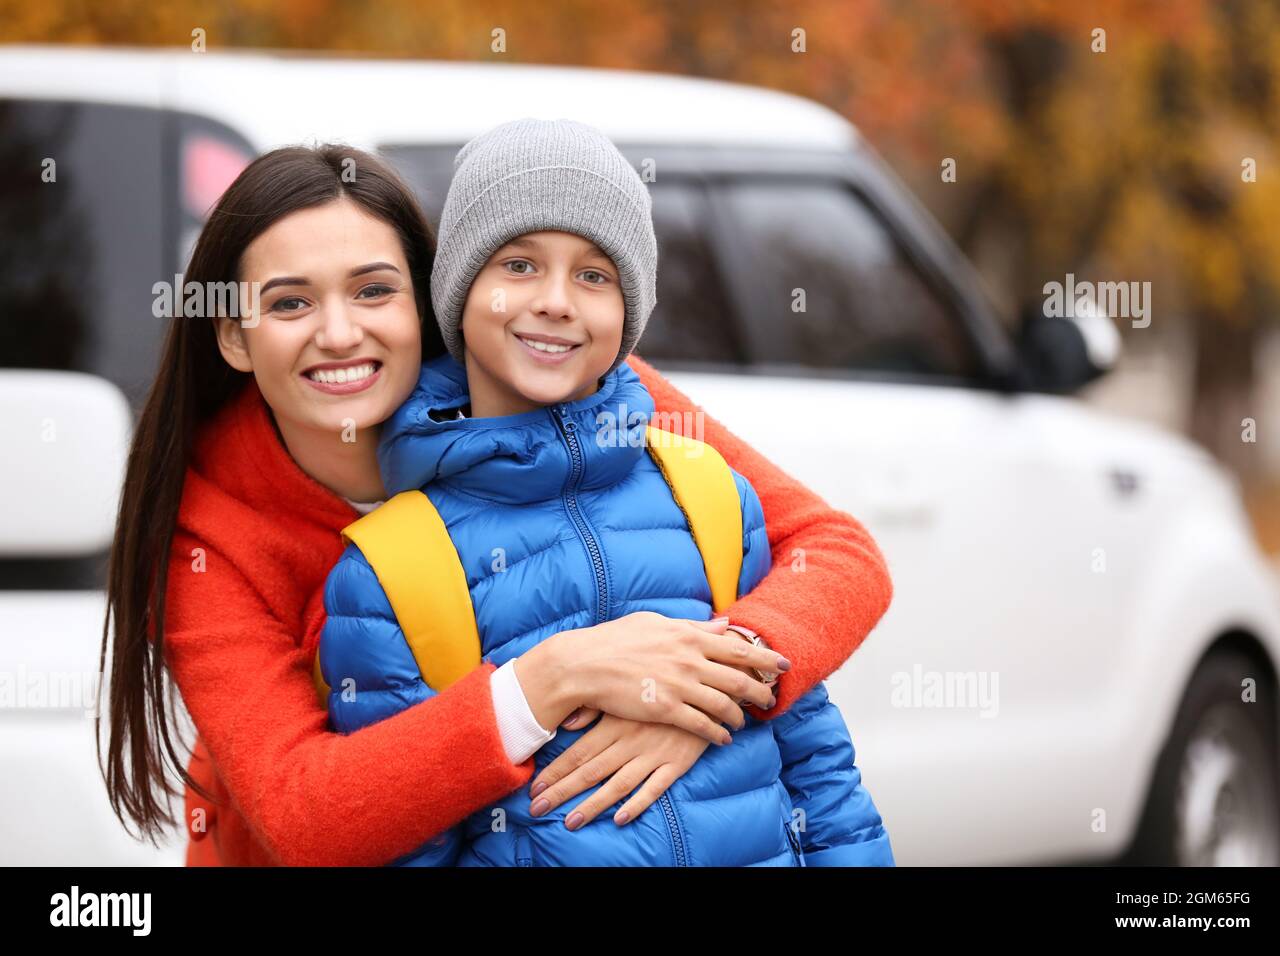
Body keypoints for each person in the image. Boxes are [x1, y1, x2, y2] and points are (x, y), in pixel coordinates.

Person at [99, 141, 895, 867]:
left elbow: (837, 554)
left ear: (429, 300)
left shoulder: (563, 392)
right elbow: (308, 815)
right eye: (289, 304)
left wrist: (689, 691)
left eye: (375, 290)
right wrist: (550, 679)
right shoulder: (209, 538)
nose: (339, 333)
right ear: (234, 337)